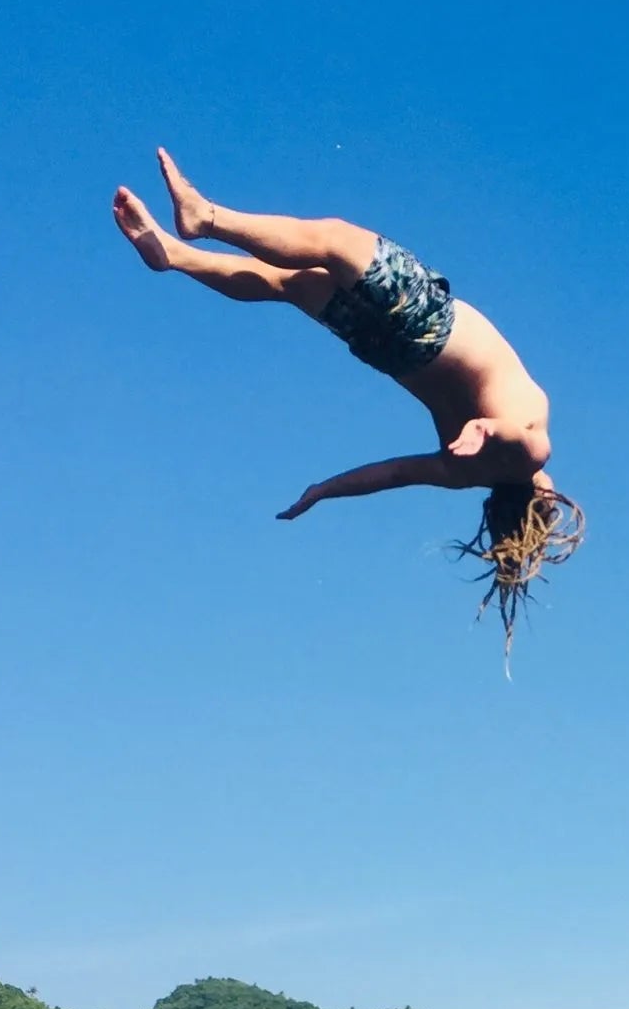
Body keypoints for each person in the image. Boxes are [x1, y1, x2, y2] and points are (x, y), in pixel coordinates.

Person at [113, 150, 583, 644]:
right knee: (286, 284)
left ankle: (206, 218)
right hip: (386, 351)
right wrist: (323, 490)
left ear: (541, 496)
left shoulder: (530, 454)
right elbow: (391, 475)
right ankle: (175, 257)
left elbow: (520, 440)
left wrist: (487, 428)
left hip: (428, 320)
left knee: (332, 240)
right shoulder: (464, 474)